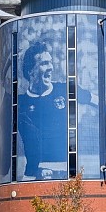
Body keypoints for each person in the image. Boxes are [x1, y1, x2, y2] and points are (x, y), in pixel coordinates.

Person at [18, 41, 66, 179]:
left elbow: (97, 100)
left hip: (65, 174)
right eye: (44, 63)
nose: (50, 67)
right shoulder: (20, 103)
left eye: (50, 62)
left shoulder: (63, 89)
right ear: (30, 71)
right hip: (34, 175)